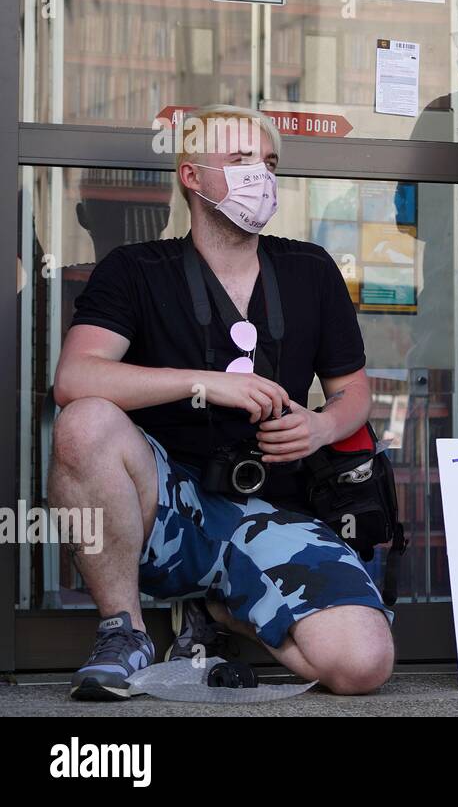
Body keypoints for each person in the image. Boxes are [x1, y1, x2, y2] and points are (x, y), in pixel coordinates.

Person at [50, 104, 394, 700]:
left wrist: (321, 426)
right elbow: (75, 377)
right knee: (85, 422)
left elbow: (354, 391)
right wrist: (204, 382)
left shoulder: (309, 268)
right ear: (191, 176)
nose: (260, 176)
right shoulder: (135, 269)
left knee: (362, 665)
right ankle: (124, 631)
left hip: (277, 515)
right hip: (165, 509)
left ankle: (228, 608)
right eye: (239, 161)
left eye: (268, 162)